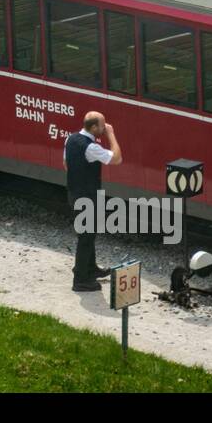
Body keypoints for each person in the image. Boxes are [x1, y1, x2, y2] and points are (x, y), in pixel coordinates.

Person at [64, 111, 123, 292]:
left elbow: (66, 164)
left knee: (88, 234)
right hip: (87, 196)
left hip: (74, 193)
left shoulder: (70, 139)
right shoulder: (90, 147)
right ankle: (80, 280)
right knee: (86, 238)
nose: (105, 128)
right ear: (94, 127)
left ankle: (90, 268)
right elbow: (117, 159)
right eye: (103, 126)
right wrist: (112, 135)